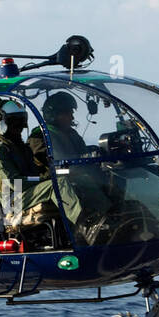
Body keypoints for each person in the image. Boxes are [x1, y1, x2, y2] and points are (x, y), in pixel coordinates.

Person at [27, 91, 114, 238]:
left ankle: (114, 215)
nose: (72, 117)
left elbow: (83, 153)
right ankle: (87, 226)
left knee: (110, 174)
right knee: (85, 181)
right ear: (53, 115)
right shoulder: (40, 136)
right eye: (67, 113)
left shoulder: (71, 133)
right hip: (55, 181)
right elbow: (49, 163)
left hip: (77, 176)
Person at [0, 100, 60, 236]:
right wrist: (45, 179)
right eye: (15, 123)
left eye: (21, 122)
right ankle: (85, 226)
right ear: (0, 121)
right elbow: (14, 182)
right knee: (57, 185)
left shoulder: (22, 148)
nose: (20, 128)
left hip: (29, 193)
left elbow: (35, 173)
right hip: (14, 200)